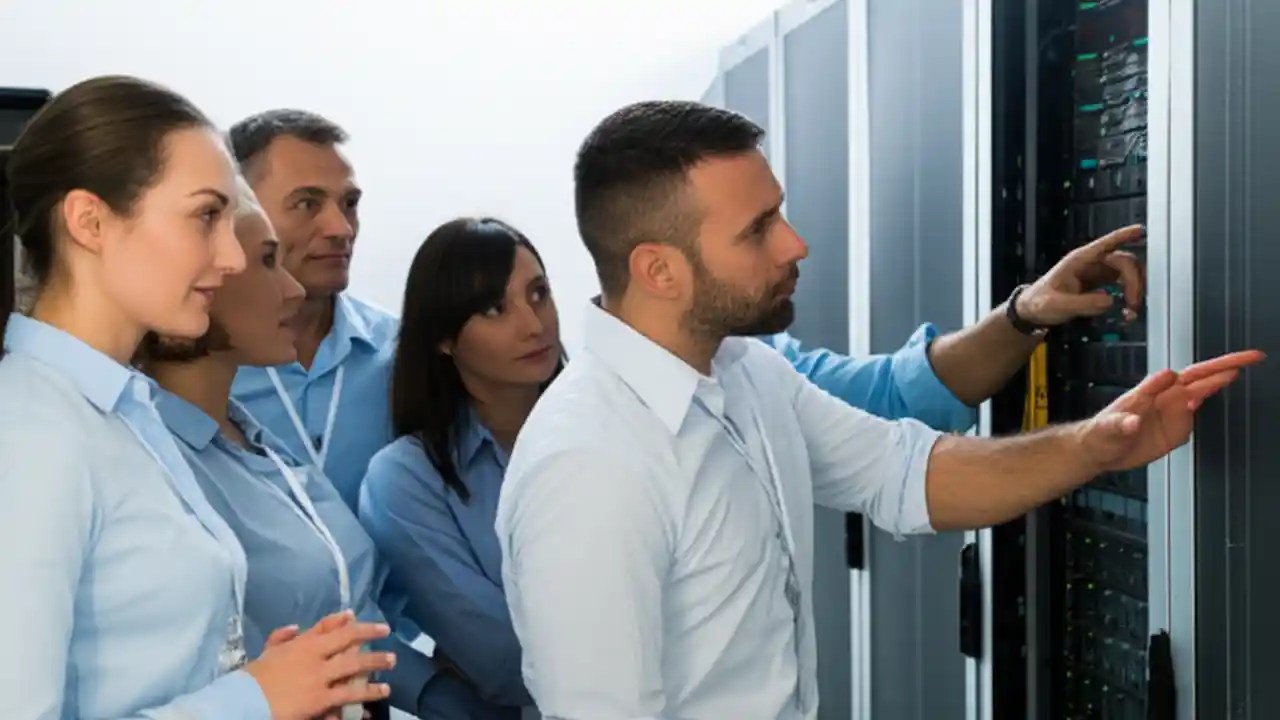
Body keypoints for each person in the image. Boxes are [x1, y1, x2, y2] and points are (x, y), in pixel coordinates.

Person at [493, 100, 1263, 719]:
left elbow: (909, 473)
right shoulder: (589, 465)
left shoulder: (747, 375)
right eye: (758, 230)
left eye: (779, 214)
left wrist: (1096, 445)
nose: (795, 244)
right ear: (659, 270)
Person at [0, 75, 394, 719]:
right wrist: (255, 699)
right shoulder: (30, 430)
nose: (231, 258)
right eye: (206, 217)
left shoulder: (127, 414)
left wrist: (273, 686)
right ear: (90, 222)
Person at [139, 177, 485, 719]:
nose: (294, 290)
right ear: (202, 279)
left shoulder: (256, 440)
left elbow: (349, 613)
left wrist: (444, 698)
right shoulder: (148, 459)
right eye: (268, 261)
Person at [359, 218, 561, 718]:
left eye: (538, 293)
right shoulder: (406, 479)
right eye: (495, 309)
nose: (533, 324)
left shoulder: (607, 430)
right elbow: (503, 661)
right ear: (444, 338)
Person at [227, 110, 396, 511]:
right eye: (307, 204)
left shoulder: (403, 354)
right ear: (238, 212)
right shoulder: (203, 365)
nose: (342, 229)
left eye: (349, 204)